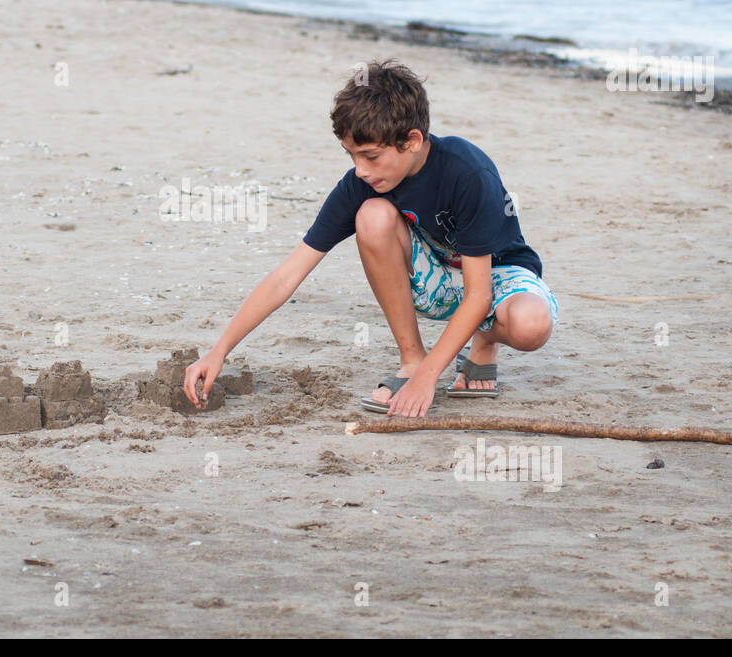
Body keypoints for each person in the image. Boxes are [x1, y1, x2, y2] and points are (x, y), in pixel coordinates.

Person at [182, 58, 558, 418]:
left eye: (371, 156)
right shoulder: (360, 186)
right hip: (438, 282)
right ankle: (411, 359)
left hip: (497, 276)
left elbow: (480, 294)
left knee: (531, 325)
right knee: (373, 216)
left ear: (412, 140)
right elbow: (286, 277)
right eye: (351, 156)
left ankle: (483, 343)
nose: (360, 171)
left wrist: (430, 379)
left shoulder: (466, 172)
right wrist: (218, 352)